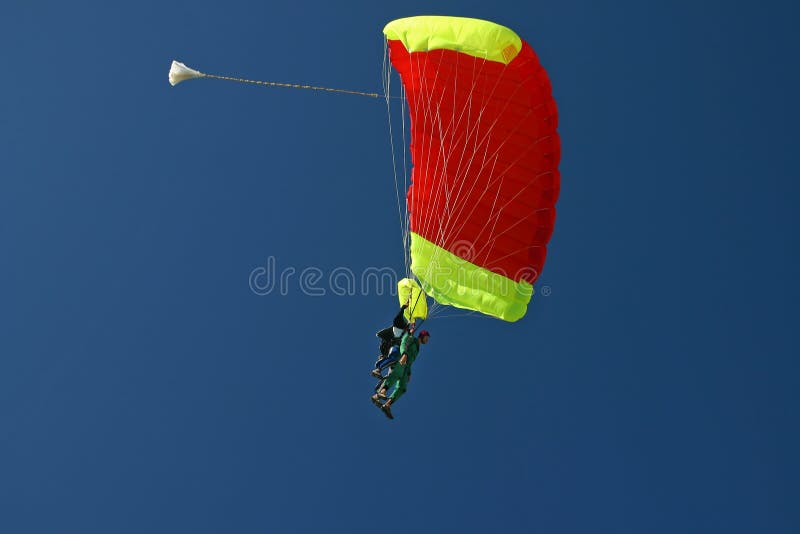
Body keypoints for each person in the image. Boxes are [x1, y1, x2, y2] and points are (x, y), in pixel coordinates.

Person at [371, 329, 430, 419]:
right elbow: (404, 343)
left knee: (402, 388)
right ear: (422, 336)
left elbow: (411, 361)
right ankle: (382, 392)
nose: (427, 340)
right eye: (426, 338)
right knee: (396, 374)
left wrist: (409, 373)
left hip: (407, 367)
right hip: (402, 359)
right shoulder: (412, 338)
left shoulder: (418, 349)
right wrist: (404, 354)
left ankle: (387, 405)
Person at [371, 303, 410, 380]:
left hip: (398, 348)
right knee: (393, 357)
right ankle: (378, 369)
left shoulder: (405, 331)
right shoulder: (398, 326)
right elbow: (397, 319)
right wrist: (403, 308)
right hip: (394, 346)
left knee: (396, 362)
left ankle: (389, 376)